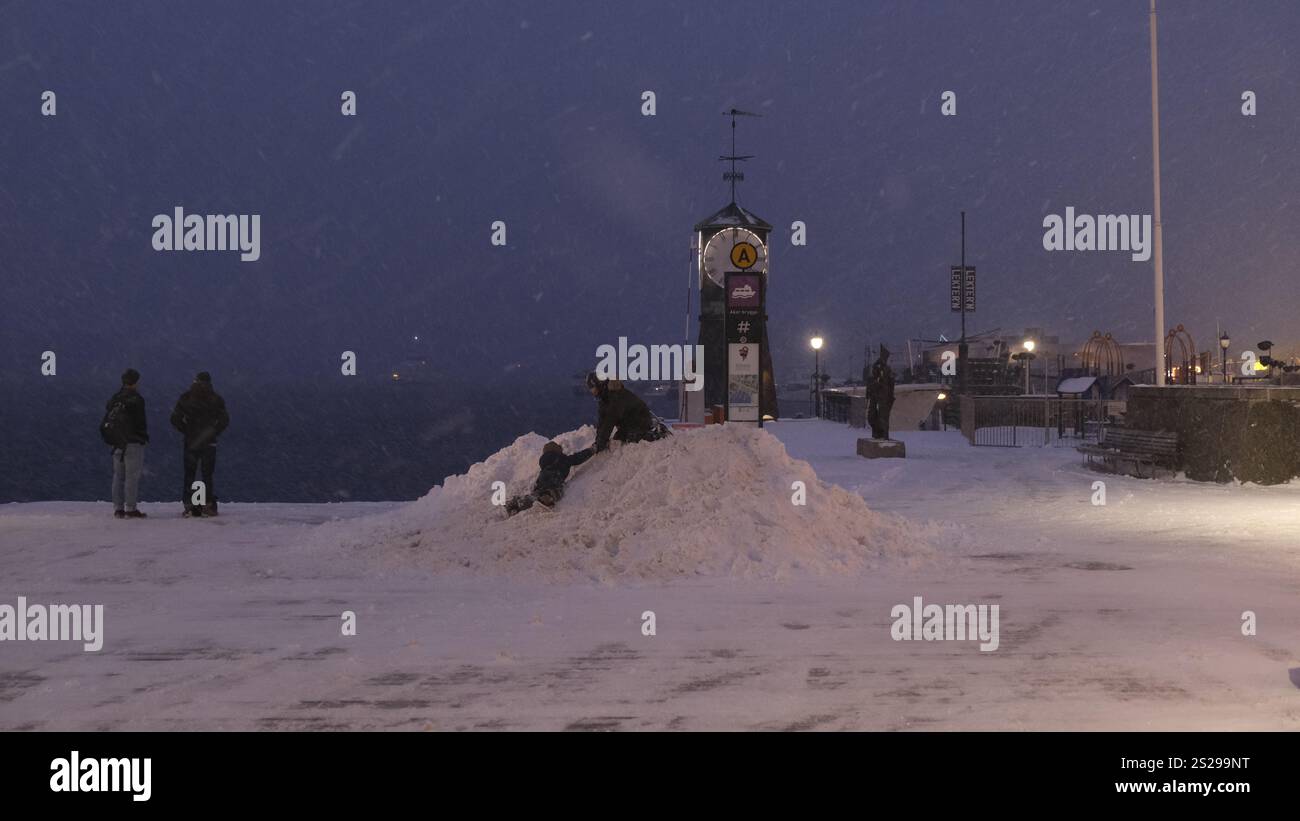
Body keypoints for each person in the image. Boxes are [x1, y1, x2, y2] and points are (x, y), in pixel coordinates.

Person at [170, 371, 230, 517]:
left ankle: (190, 505)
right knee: (206, 474)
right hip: (209, 442)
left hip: (191, 442)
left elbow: (174, 418)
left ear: (195, 381)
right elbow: (224, 420)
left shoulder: (186, 398)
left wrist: (186, 430)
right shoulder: (216, 399)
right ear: (210, 382)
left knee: (190, 474)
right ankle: (207, 504)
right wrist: (213, 432)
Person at [102, 368, 149, 519]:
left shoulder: (116, 398)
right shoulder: (137, 399)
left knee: (118, 475)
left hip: (117, 442)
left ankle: (118, 508)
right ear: (135, 382)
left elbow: (108, 412)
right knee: (132, 476)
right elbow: (140, 422)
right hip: (133, 441)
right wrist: (142, 437)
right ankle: (130, 508)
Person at [505, 441, 595, 515]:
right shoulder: (563, 459)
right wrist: (591, 450)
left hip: (542, 478)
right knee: (556, 491)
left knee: (535, 495)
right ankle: (547, 496)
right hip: (555, 476)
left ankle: (516, 504)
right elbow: (577, 458)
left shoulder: (544, 462)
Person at [585, 372, 666, 452]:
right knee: (618, 440)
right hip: (627, 423)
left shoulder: (615, 396)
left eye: (593, 388)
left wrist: (600, 443)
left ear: (599, 385)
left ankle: (657, 435)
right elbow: (602, 421)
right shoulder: (605, 398)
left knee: (631, 438)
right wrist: (598, 442)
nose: (592, 392)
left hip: (640, 419)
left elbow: (609, 420)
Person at [866, 346, 896, 440]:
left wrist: (891, 395)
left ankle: (883, 434)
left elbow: (891, 383)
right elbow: (871, 380)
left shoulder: (887, 369)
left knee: (883, 415)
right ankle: (876, 432)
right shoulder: (877, 367)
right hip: (875, 393)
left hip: (884, 395)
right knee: (871, 416)